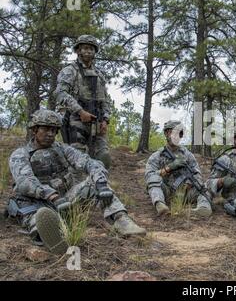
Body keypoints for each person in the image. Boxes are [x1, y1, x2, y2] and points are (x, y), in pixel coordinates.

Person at [6, 109, 145, 254]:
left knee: (94, 184)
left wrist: (101, 183)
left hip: (65, 200)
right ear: (34, 129)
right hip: (37, 203)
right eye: (46, 129)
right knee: (39, 220)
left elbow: (88, 162)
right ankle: (54, 239)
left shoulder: (63, 149)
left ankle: (121, 220)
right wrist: (52, 196)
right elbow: (25, 181)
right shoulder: (20, 154)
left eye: (54, 130)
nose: (50, 134)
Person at [55, 34, 112, 169]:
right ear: (78, 50)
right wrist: (80, 111)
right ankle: (76, 187)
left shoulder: (99, 74)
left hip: (97, 120)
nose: (88, 51)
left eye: (91, 49)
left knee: (104, 158)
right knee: (77, 159)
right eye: (85, 48)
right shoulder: (70, 70)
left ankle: (98, 187)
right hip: (76, 119)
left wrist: (105, 119)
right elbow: (60, 93)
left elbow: (105, 99)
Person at [144, 120, 212, 218]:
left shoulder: (188, 155)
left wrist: (189, 183)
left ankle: (203, 209)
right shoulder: (157, 155)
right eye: (172, 132)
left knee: (205, 187)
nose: (175, 136)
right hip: (165, 193)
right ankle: (160, 205)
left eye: (179, 133)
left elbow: (197, 174)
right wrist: (168, 168)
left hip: (185, 193)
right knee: (153, 179)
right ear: (166, 133)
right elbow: (149, 176)